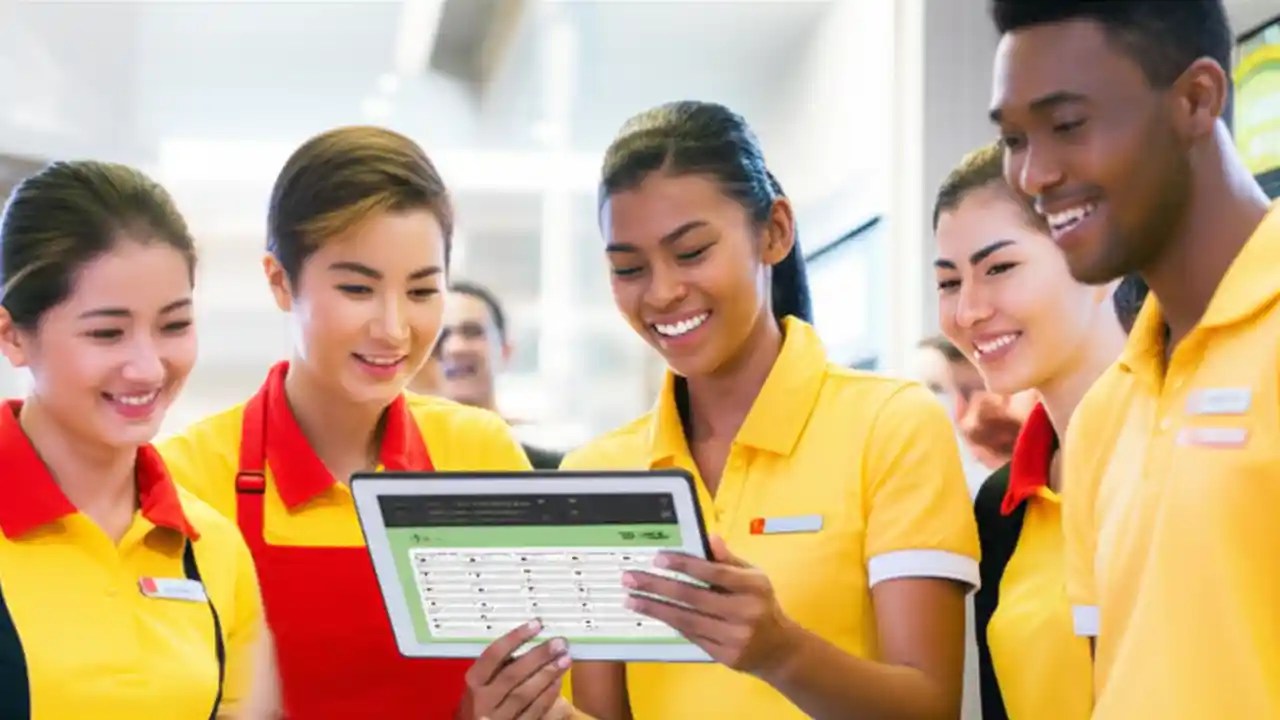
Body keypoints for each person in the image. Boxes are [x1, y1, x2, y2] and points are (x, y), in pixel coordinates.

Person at [563, 100, 980, 720]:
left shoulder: (891, 424)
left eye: (692, 251)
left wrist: (780, 652)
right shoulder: (595, 473)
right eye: (629, 267)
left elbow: (930, 706)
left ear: (774, 231)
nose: (661, 292)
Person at [157, 126, 572, 720]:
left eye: (423, 290)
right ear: (279, 280)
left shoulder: (478, 453)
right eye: (357, 288)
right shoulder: (190, 476)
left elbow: (550, 697)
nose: (393, 329)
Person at [989, 1, 1280, 717]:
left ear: (1195, 99)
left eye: (1067, 126)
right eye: (1014, 138)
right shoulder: (1106, 413)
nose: (1032, 174)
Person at [0, 160, 264, 718]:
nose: (147, 368)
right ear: (13, 337)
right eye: (106, 333)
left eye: (173, 326)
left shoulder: (211, 547)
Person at [932, 142, 1147, 720]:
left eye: (999, 268)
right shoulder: (1002, 505)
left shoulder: (1197, 450)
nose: (969, 310)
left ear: (1100, 260)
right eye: (950, 282)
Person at [436, 279, 564, 469]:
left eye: (472, 332)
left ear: (505, 351)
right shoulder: (394, 460)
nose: (454, 348)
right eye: (440, 335)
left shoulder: (548, 459)